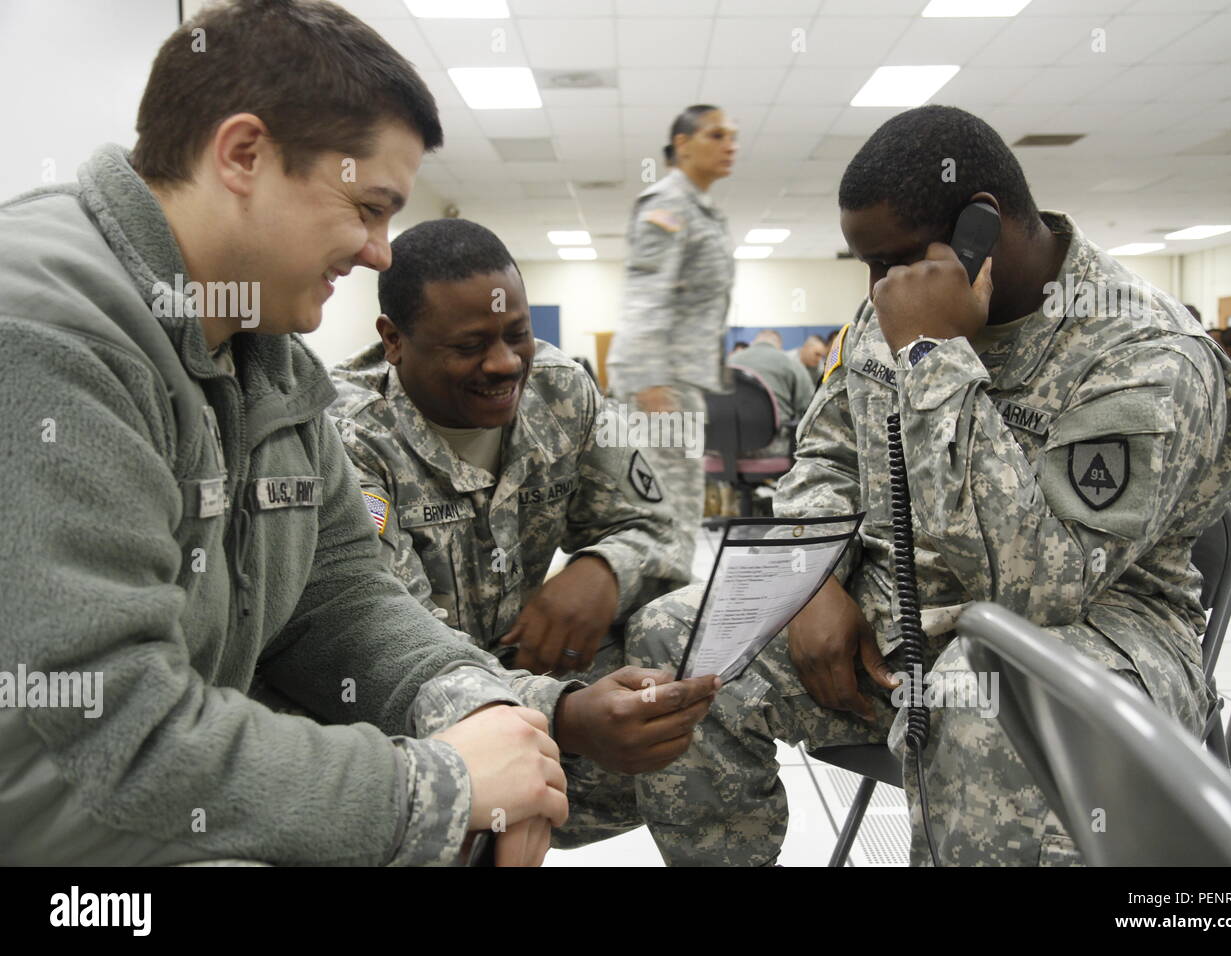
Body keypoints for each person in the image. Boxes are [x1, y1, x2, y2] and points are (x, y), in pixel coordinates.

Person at [0, 0, 711, 867]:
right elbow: (95, 744)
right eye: (369, 208)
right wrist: (444, 790)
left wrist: (491, 721)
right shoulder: (45, 333)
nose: (381, 252)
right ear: (244, 155)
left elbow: (339, 599)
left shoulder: (264, 362)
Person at [623, 105, 1231, 866]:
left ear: (980, 226)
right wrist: (808, 581)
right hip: (902, 609)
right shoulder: (890, 302)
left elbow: (1037, 588)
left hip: (1092, 632)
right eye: (867, 265)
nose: (879, 288)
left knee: (972, 700)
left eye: (892, 259)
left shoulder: (1143, 351)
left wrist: (933, 354)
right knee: (675, 641)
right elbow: (824, 458)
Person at [330, 217, 716, 849]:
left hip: (532, 681)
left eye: (518, 335)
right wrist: (563, 714)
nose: (506, 363)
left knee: (690, 661)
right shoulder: (347, 438)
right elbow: (383, 651)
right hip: (406, 715)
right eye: (471, 345)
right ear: (394, 341)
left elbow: (662, 526)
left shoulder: (560, 391)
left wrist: (603, 571)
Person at [606, 104, 738, 561]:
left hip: (678, 379)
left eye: (732, 136)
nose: (730, 145)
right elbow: (646, 295)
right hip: (660, 381)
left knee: (678, 504)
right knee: (666, 508)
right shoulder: (668, 203)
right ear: (682, 144)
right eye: (717, 135)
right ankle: (661, 613)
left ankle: (666, 607)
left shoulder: (701, 210)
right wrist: (649, 382)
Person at [728, 328, 814, 457]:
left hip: (729, 446)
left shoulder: (729, 363)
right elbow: (810, 408)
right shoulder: (791, 364)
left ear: (753, 343)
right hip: (773, 448)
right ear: (778, 345)